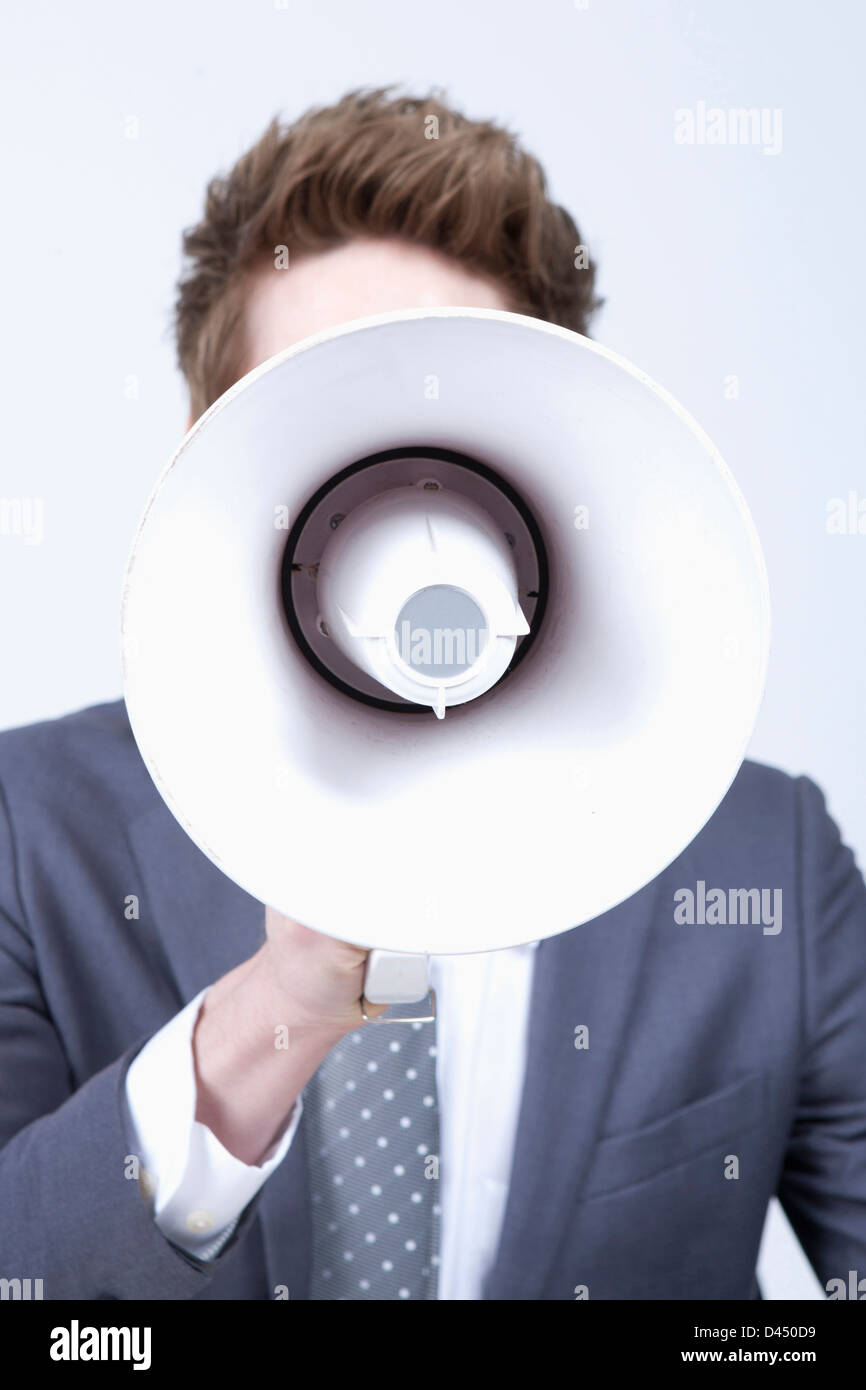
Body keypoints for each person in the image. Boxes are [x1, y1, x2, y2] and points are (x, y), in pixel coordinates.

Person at [1, 87, 864, 1302]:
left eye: (447, 414)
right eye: (331, 423)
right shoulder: (31, 827)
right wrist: (269, 1018)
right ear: (206, 457)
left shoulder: (764, 862)